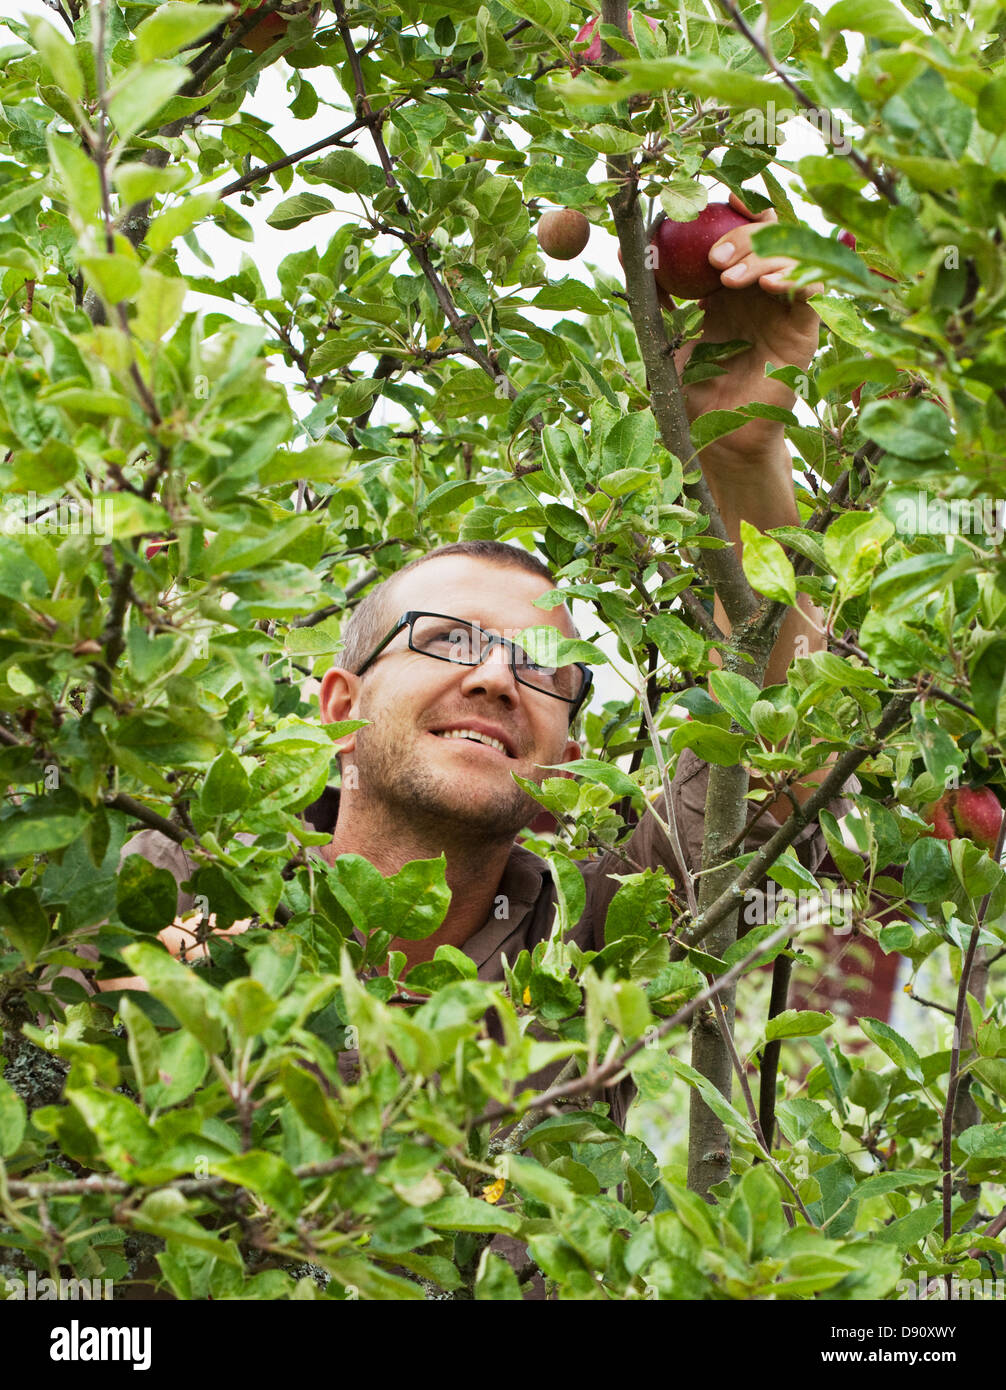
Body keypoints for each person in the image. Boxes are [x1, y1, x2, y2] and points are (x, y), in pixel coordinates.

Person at [100, 201, 848, 1128]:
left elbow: (780, 751)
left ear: (568, 761)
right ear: (338, 702)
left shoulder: (600, 931)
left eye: (543, 667)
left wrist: (741, 461)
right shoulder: (179, 874)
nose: (496, 678)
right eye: (445, 639)